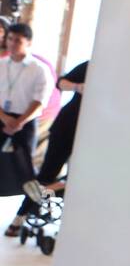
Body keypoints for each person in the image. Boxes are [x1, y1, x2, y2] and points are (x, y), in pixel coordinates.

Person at [13, 59, 87, 217]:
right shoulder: (92, 65)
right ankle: (20, 216)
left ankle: (53, 191)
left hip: (94, 134)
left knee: (81, 176)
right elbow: (60, 82)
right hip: (67, 127)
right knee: (47, 173)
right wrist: (77, 87)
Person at [1, 23, 55, 235]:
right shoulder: (2, 64)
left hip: (25, 122)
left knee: (26, 173)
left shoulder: (39, 69)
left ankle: (21, 217)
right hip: (3, 118)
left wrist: (20, 121)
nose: (12, 44)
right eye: (10, 39)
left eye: (18, 40)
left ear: (28, 42)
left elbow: (40, 101)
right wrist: (5, 118)